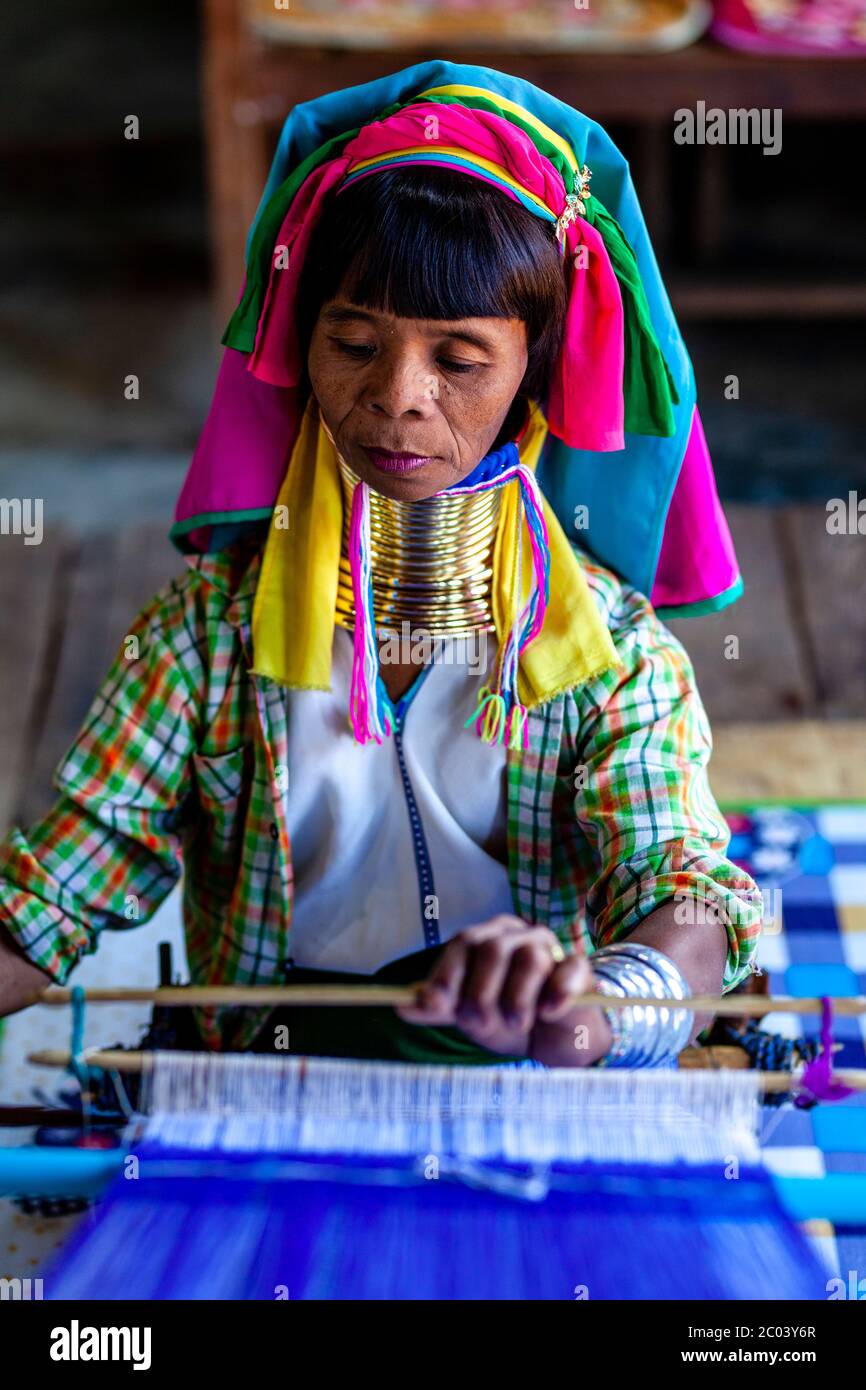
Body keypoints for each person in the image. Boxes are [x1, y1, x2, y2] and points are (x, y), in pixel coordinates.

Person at [0, 64, 762, 1069]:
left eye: (458, 358)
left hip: (536, 1073)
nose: (397, 395)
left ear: (533, 373)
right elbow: (56, 889)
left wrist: (584, 1009)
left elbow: (682, 888)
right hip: (265, 1073)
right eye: (352, 341)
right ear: (295, 348)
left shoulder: (608, 654)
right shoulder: (204, 636)